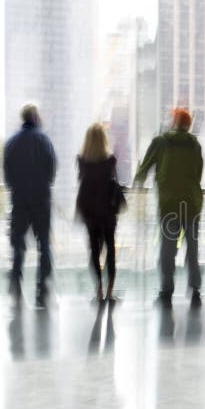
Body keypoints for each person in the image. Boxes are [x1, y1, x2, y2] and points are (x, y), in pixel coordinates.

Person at [133, 107, 203, 308]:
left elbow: (144, 168)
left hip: (169, 204)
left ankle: (166, 290)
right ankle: (195, 290)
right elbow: (198, 172)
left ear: (173, 122)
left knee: (167, 250)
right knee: (193, 250)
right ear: (188, 125)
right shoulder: (195, 144)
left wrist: (139, 178)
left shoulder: (161, 142)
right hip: (191, 204)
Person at [3, 104, 57, 307]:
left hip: (19, 201)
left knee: (18, 245)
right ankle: (42, 288)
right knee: (44, 244)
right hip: (41, 200)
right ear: (35, 116)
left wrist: (18, 188)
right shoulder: (44, 140)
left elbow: (7, 175)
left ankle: (15, 283)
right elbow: (51, 170)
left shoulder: (12, 143)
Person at [76, 123, 120, 302]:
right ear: (104, 139)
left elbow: (82, 181)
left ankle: (99, 290)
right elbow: (113, 181)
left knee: (94, 250)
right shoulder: (111, 160)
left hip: (89, 211)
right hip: (108, 211)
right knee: (110, 249)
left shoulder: (81, 160)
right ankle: (110, 291)